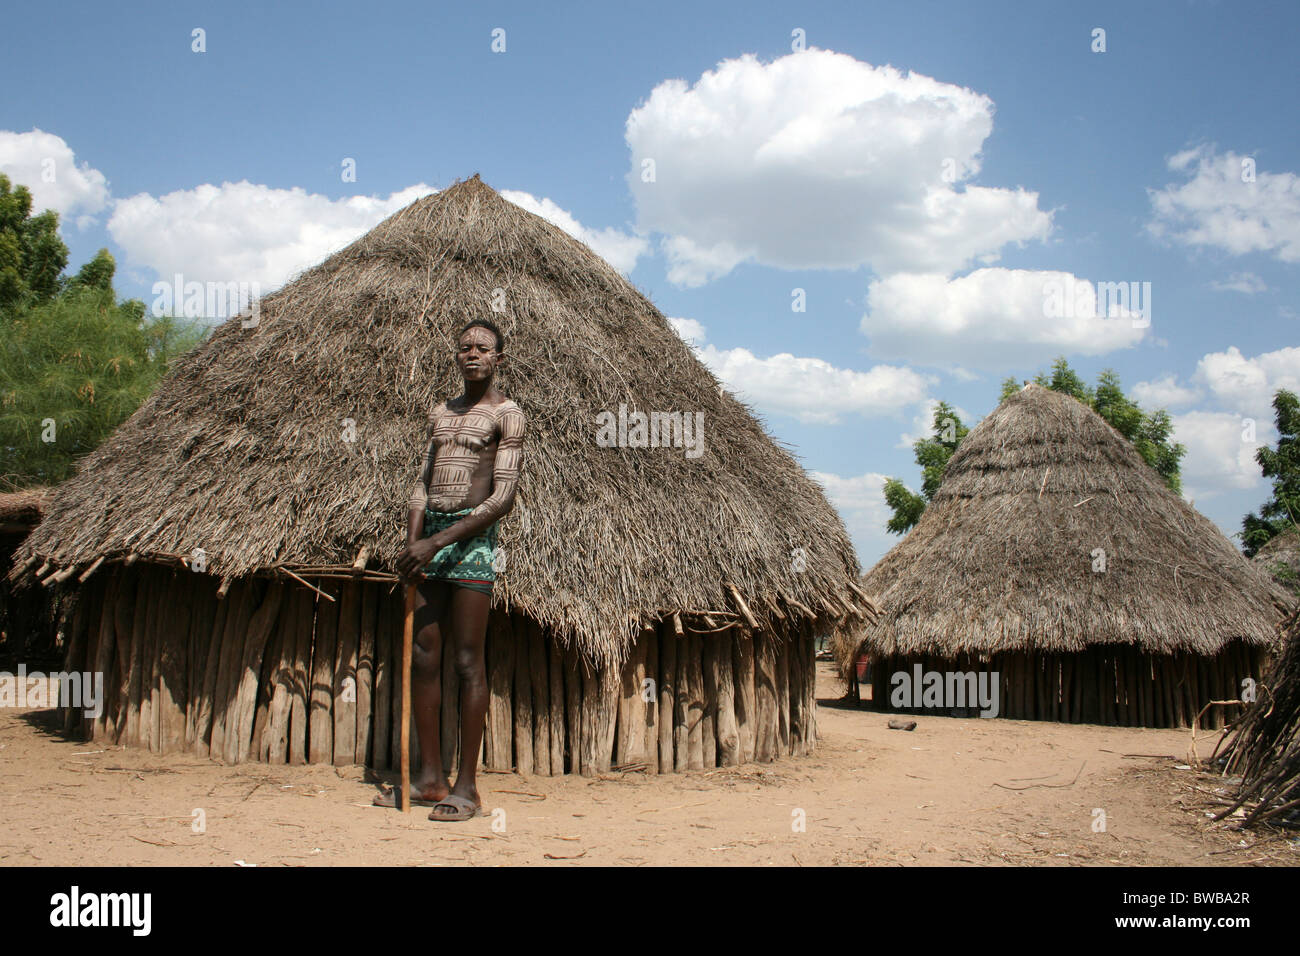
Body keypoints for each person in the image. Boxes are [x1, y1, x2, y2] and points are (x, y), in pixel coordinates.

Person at [373, 317, 526, 821]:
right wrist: (413, 543)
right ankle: (429, 779)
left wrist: (436, 542)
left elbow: (502, 497)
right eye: (464, 347)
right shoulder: (441, 413)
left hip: (473, 541)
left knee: (466, 661)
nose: (472, 354)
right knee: (423, 656)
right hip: (430, 542)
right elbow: (422, 482)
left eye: (483, 348)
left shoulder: (507, 414)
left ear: (499, 359)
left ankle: (468, 787)